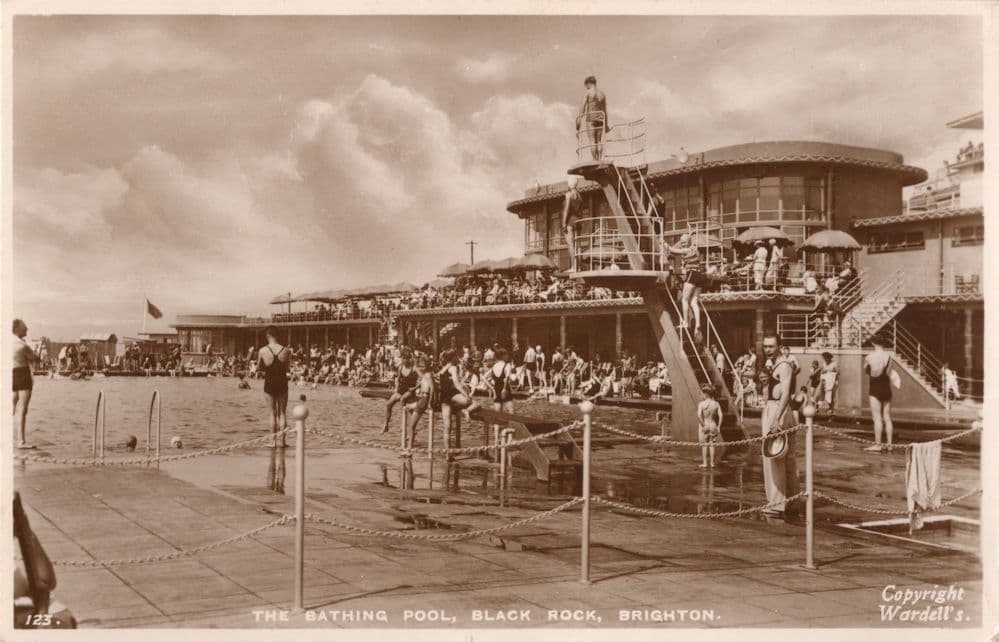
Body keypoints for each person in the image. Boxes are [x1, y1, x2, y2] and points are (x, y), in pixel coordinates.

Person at [760, 332, 800, 517]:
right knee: (788, 460)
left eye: (771, 346)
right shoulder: (772, 364)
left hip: (778, 410)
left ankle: (776, 504)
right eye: (765, 346)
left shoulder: (783, 365)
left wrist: (776, 418)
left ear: (779, 346)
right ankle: (792, 501)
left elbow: (785, 393)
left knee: (774, 459)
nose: (767, 349)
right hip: (779, 410)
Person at [257, 326, 290, 447]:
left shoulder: (263, 350)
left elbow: (259, 368)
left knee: (272, 413)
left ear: (268, 336)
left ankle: (273, 442)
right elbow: (287, 368)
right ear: (278, 335)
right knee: (282, 413)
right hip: (282, 382)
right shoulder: (286, 350)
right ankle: (282, 441)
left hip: (269, 382)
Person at [668, 233, 704, 340]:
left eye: (684, 242)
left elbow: (674, 251)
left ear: (689, 242)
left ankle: (685, 322)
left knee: (684, 299)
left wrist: (664, 244)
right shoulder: (695, 250)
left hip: (692, 273)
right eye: (682, 242)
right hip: (699, 274)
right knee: (693, 302)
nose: (683, 244)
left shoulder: (688, 250)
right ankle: (697, 323)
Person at [864, 337, 895, 452]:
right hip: (886, 387)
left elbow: (867, 371)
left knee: (877, 418)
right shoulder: (889, 357)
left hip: (875, 388)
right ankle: (890, 445)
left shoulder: (869, 357)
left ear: (873, 343)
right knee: (887, 417)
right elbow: (887, 372)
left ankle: (878, 444)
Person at [12, 319, 39, 449]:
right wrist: (35, 350)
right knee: (22, 408)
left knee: (11, 405)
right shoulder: (22, 345)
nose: (27, 330)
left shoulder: (8, 342)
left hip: (11, 372)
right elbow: (36, 358)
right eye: (25, 328)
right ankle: (21, 441)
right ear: (18, 329)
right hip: (22, 373)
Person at [382, 349, 418, 434]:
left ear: (410, 359)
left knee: (402, 400)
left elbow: (423, 379)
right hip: (401, 390)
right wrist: (396, 389)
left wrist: (415, 388)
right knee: (388, 404)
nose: (405, 360)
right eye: (403, 358)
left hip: (410, 391)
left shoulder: (414, 368)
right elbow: (397, 379)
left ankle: (403, 424)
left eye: (407, 359)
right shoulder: (401, 367)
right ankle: (386, 425)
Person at [576, 75, 607, 161]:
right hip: (601, 119)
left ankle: (594, 160)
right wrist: (606, 125)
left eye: (586, 86)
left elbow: (582, 108)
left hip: (591, 119)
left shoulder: (588, 93)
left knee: (592, 141)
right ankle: (600, 159)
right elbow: (605, 110)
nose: (586, 88)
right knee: (599, 141)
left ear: (588, 84)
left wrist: (578, 125)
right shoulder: (602, 94)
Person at [697, 384, 723, 469]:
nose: (701, 395)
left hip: (705, 424)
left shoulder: (702, 403)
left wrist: (703, 425)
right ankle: (712, 463)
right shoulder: (716, 403)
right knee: (712, 444)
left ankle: (705, 463)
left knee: (704, 445)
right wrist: (719, 426)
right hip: (713, 424)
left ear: (705, 394)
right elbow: (721, 415)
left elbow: (699, 416)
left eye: (701, 394)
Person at [562, 176, 585, 271]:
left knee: (570, 244)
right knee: (578, 244)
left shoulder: (568, 195)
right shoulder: (580, 196)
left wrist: (563, 223)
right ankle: (579, 267)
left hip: (570, 221)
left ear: (569, 184)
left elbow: (566, 209)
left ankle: (574, 267)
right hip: (578, 220)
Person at [488, 348, 516, 413]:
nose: (508, 356)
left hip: (497, 390)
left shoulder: (494, 366)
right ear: (502, 356)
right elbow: (506, 378)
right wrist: (504, 388)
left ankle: (497, 423)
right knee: (511, 413)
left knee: (498, 415)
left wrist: (492, 388)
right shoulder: (507, 365)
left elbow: (485, 378)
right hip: (505, 390)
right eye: (506, 354)